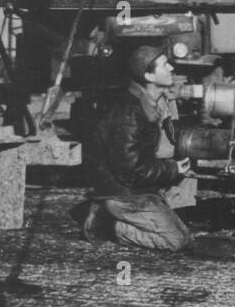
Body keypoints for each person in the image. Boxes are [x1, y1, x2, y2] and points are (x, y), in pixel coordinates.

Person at [79, 45, 192, 252]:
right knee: (177, 240)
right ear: (149, 75)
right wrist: (172, 169)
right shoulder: (129, 112)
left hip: (137, 187)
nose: (171, 68)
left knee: (183, 232)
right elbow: (131, 170)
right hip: (123, 193)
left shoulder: (149, 103)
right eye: (165, 65)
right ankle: (106, 225)